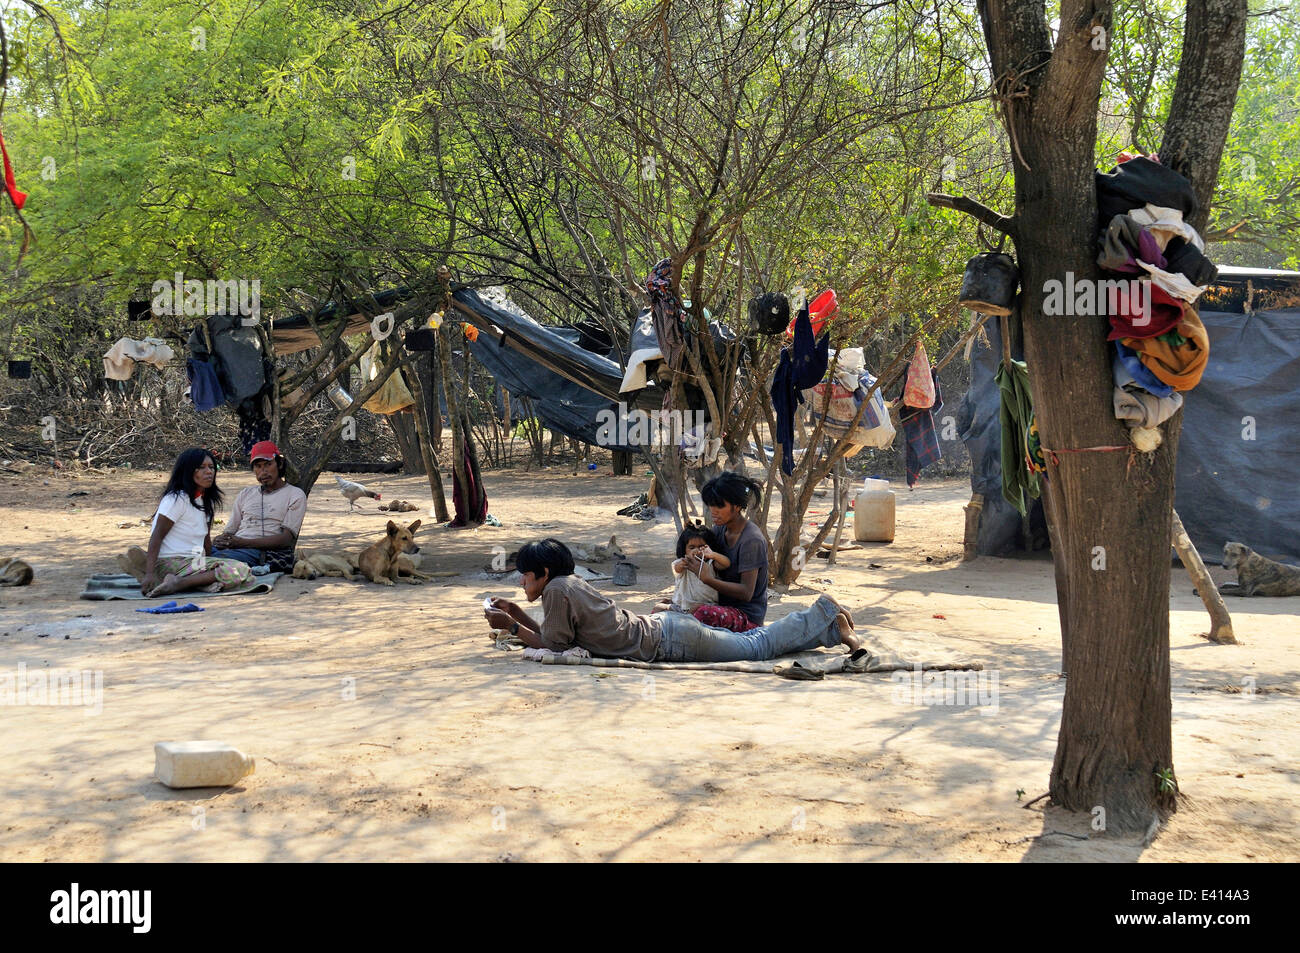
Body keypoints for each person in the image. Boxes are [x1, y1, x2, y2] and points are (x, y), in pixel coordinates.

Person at [484, 539, 858, 663]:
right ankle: (830, 627)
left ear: (544, 573)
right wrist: (516, 613)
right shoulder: (565, 586)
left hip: (671, 640)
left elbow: (553, 646)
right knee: (755, 646)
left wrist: (513, 626)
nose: (521, 580)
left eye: (526, 574)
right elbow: (558, 639)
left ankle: (823, 610)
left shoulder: (556, 591)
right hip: (669, 630)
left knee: (757, 647)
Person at [135, 448, 254, 598]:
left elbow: (205, 541)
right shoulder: (176, 499)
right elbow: (156, 536)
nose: (209, 472)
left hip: (193, 563)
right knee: (239, 569)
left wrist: (211, 562)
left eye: (211, 467)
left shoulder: (205, 501)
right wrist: (150, 573)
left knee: (247, 575)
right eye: (201, 467)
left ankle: (192, 583)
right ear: (188, 471)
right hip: (170, 563)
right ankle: (179, 583)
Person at [683, 471, 769, 631]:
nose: (713, 511)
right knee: (666, 608)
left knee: (704, 614)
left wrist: (708, 579)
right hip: (719, 606)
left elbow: (746, 593)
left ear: (736, 507)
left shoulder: (751, 540)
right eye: (711, 505)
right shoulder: (719, 531)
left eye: (719, 505)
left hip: (746, 617)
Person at [211, 441, 306, 572]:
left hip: (261, 553)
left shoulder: (295, 494)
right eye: (258, 466)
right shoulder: (246, 493)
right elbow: (230, 531)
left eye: (268, 464)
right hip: (235, 548)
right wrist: (221, 540)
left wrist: (241, 543)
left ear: (279, 464)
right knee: (195, 555)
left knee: (215, 562)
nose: (264, 471)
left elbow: (285, 540)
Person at [651, 521, 731, 614]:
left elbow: (726, 563)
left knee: (697, 609)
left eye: (701, 547)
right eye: (691, 547)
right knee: (659, 607)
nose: (696, 551)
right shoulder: (683, 563)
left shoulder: (711, 563)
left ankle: (684, 622)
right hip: (681, 606)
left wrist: (712, 554)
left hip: (704, 607)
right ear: (684, 549)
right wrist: (683, 564)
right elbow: (677, 568)